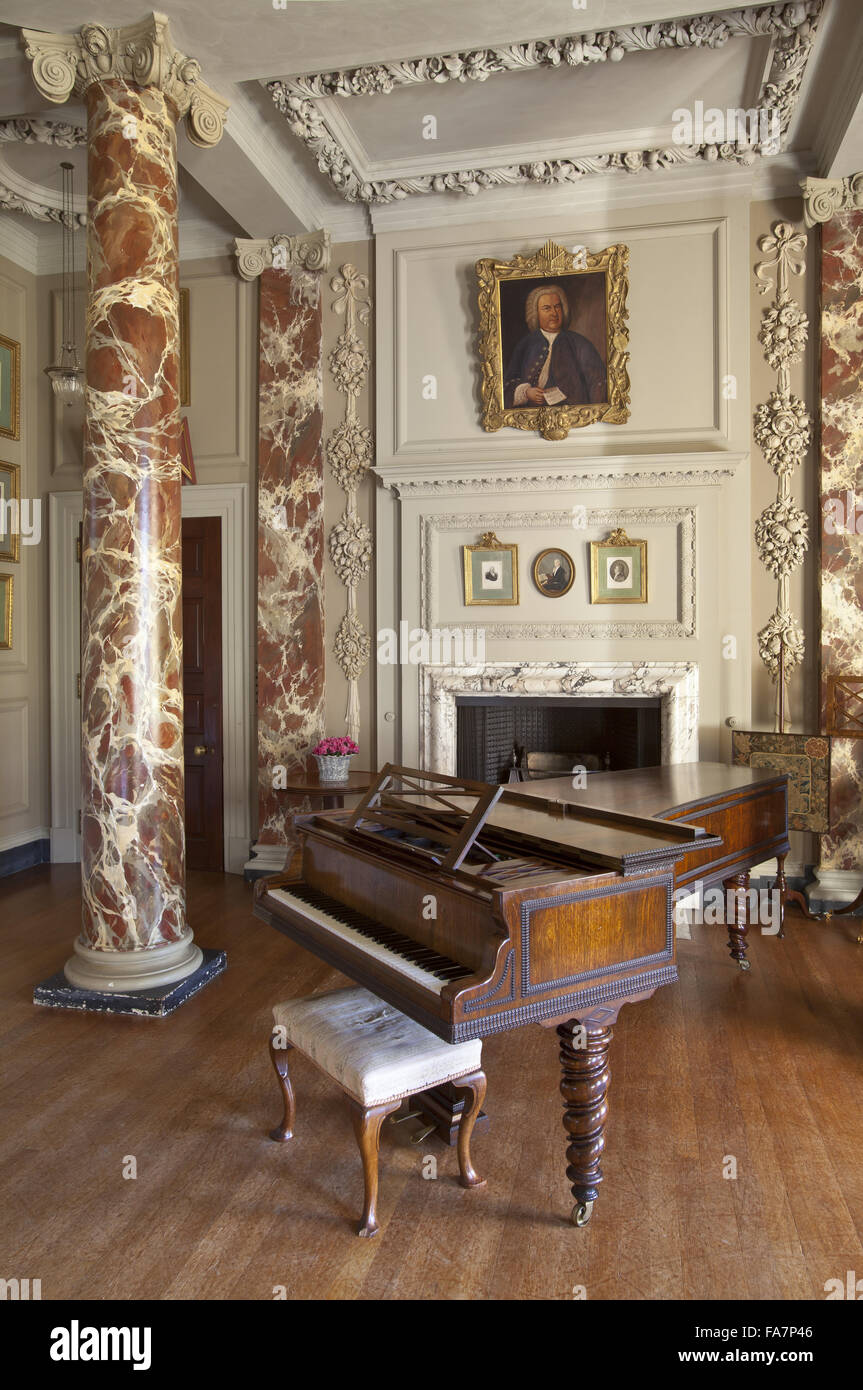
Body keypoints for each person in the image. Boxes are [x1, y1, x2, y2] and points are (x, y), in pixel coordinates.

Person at [504, 283, 606, 409]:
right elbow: (506, 385)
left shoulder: (580, 344)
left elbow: (598, 383)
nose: (554, 313)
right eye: (547, 308)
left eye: (557, 307)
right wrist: (526, 392)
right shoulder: (526, 344)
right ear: (535, 313)